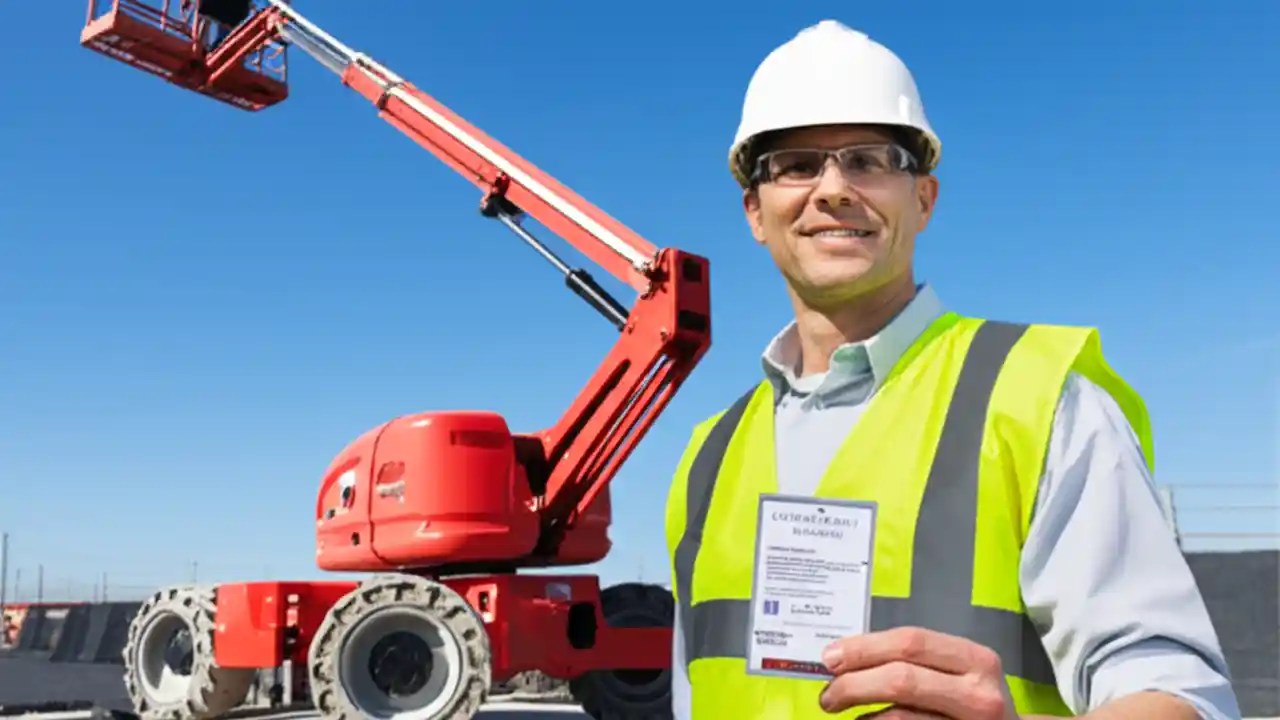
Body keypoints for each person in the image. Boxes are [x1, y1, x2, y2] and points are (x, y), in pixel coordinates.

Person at [663, 19, 1241, 720]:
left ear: (925, 200)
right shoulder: (708, 460)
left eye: (870, 159)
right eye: (797, 164)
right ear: (756, 211)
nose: (835, 188)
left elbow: (1176, 691)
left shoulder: (1037, 401)